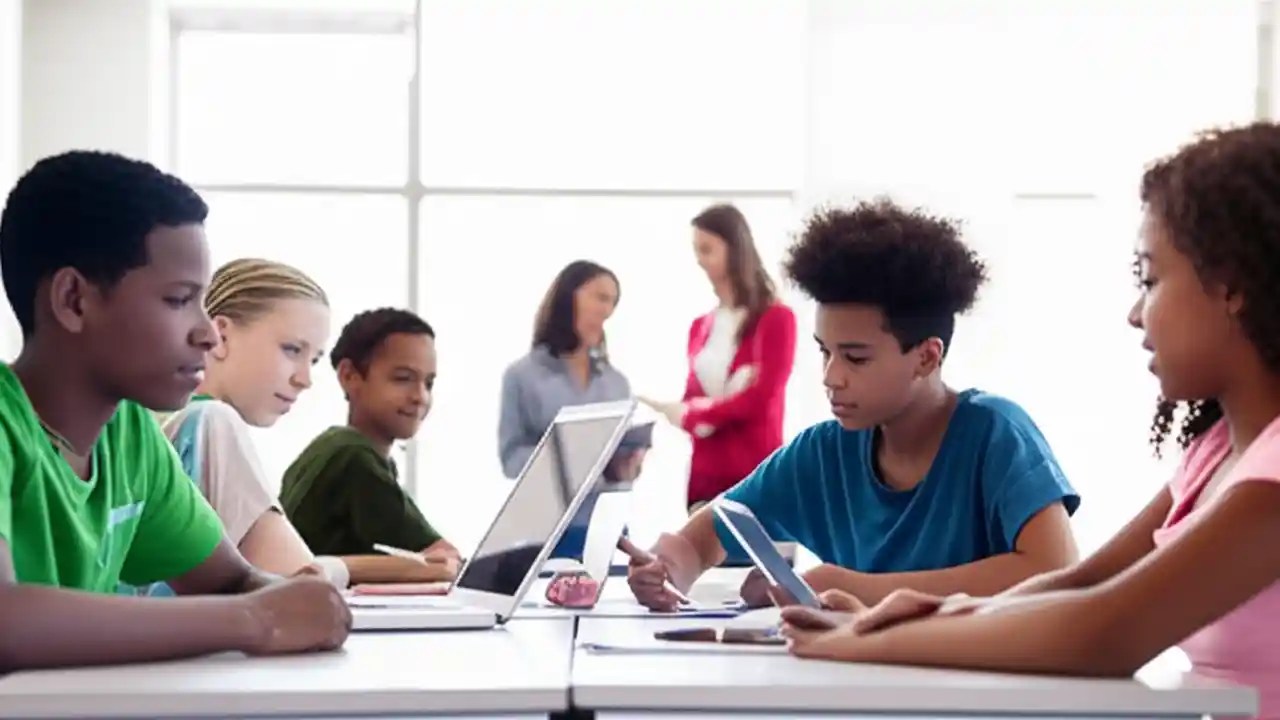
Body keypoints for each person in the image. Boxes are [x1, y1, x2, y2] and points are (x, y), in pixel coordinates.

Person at [779, 124, 1280, 720]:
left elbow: (1105, 630)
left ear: (1233, 288)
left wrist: (865, 642)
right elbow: (1086, 580)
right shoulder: (1217, 452)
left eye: (1149, 279)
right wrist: (921, 614)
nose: (1134, 312)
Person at [629, 198, 1080, 611]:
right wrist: (668, 569)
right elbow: (707, 535)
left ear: (926, 357)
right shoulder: (823, 452)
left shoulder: (995, 433)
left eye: (855, 358)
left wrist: (842, 584)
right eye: (825, 351)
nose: (831, 377)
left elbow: (1054, 569)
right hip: (856, 683)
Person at [0, 150, 349, 671]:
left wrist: (289, 598)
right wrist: (256, 619)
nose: (207, 333)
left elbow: (232, 579)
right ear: (73, 300)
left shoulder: (129, 434)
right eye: (178, 299)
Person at [121, 258, 348, 596]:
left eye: (313, 360)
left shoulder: (145, 427)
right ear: (220, 335)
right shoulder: (209, 424)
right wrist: (351, 569)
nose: (305, 379)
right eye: (291, 350)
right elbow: (302, 587)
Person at [282, 308, 460, 583]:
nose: (420, 396)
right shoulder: (352, 455)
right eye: (402, 378)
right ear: (350, 376)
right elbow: (443, 559)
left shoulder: (328, 448)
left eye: (429, 383)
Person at [641, 203, 797, 513]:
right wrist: (717, 404)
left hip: (756, 478)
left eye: (707, 249)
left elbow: (760, 399)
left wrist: (697, 414)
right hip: (704, 481)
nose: (699, 260)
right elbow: (690, 400)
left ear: (734, 248)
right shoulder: (700, 327)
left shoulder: (776, 318)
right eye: (696, 250)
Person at [498, 260, 645, 561]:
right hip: (543, 534)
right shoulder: (522, 376)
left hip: (608, 533)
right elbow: (511, 460)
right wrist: (568, 457)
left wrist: (627, 468)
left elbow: (621, 475)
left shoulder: (616, 383)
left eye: (613, 302)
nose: (607, 310)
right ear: (568, 297)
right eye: (600, 297)